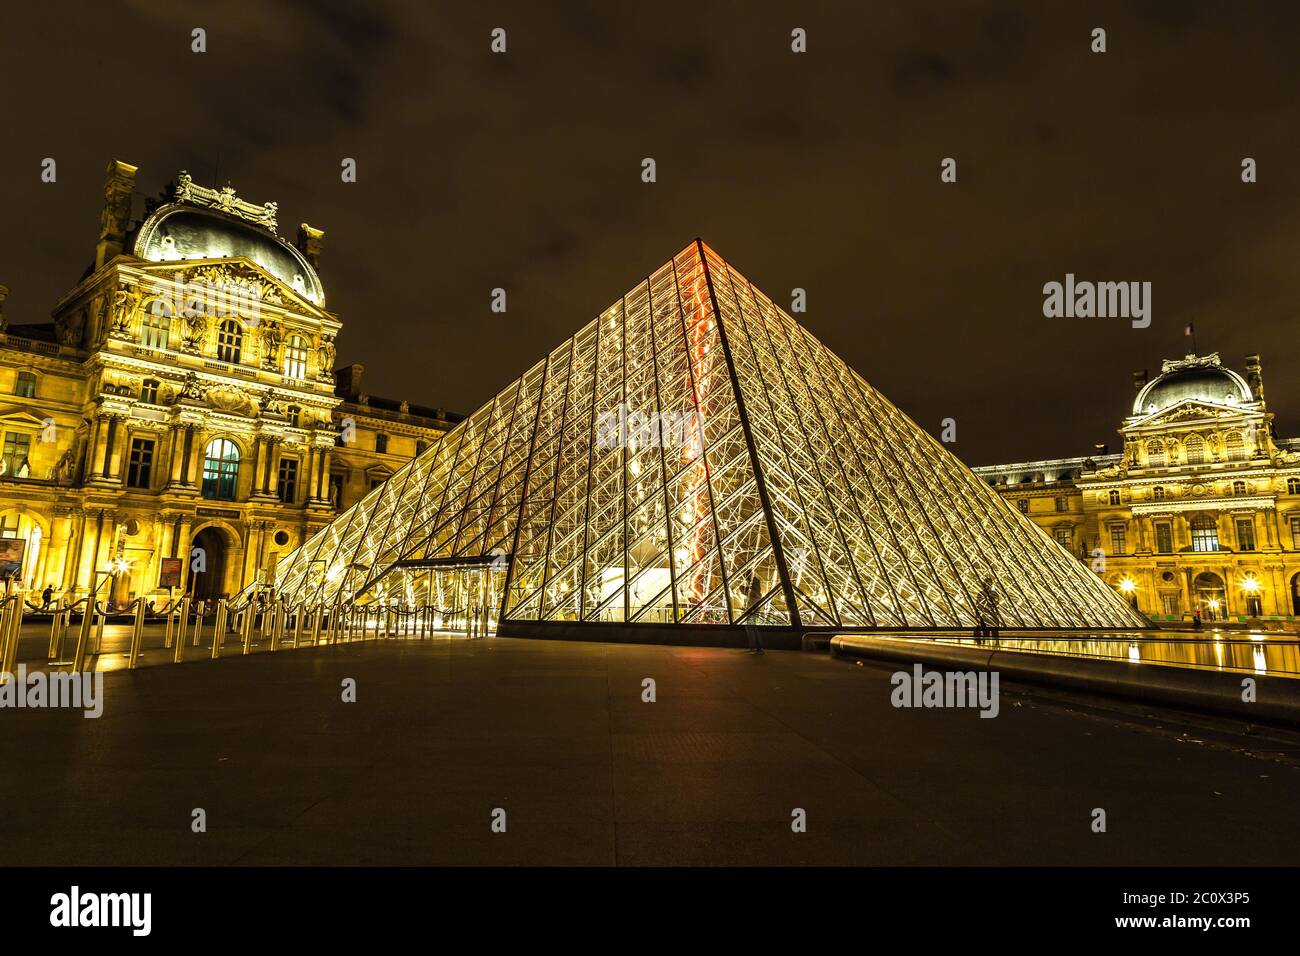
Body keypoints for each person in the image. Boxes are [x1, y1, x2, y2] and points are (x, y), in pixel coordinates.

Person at [744, 574, 764, 654]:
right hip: (752, 612)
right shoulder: (757, 592)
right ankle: (756, 647)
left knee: (751, 628)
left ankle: (757, 648)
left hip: (751, 612)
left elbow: (742, 589)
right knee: (752, 628)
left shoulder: (753, 592)